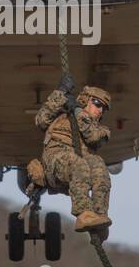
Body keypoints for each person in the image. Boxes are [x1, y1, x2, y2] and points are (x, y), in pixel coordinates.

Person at [32, 76, 114, 232]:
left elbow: (93, 137)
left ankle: (99, 217)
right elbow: (41, 120)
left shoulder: (102, 131)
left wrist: (77, 111)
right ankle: (84, 214)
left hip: (75, 170)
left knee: (99, 167)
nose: (99, 110)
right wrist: (60, 93)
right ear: (84, 101)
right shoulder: (61, 117)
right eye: (96, 104)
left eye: (103, 108)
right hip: (55, 162)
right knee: (78, 163)